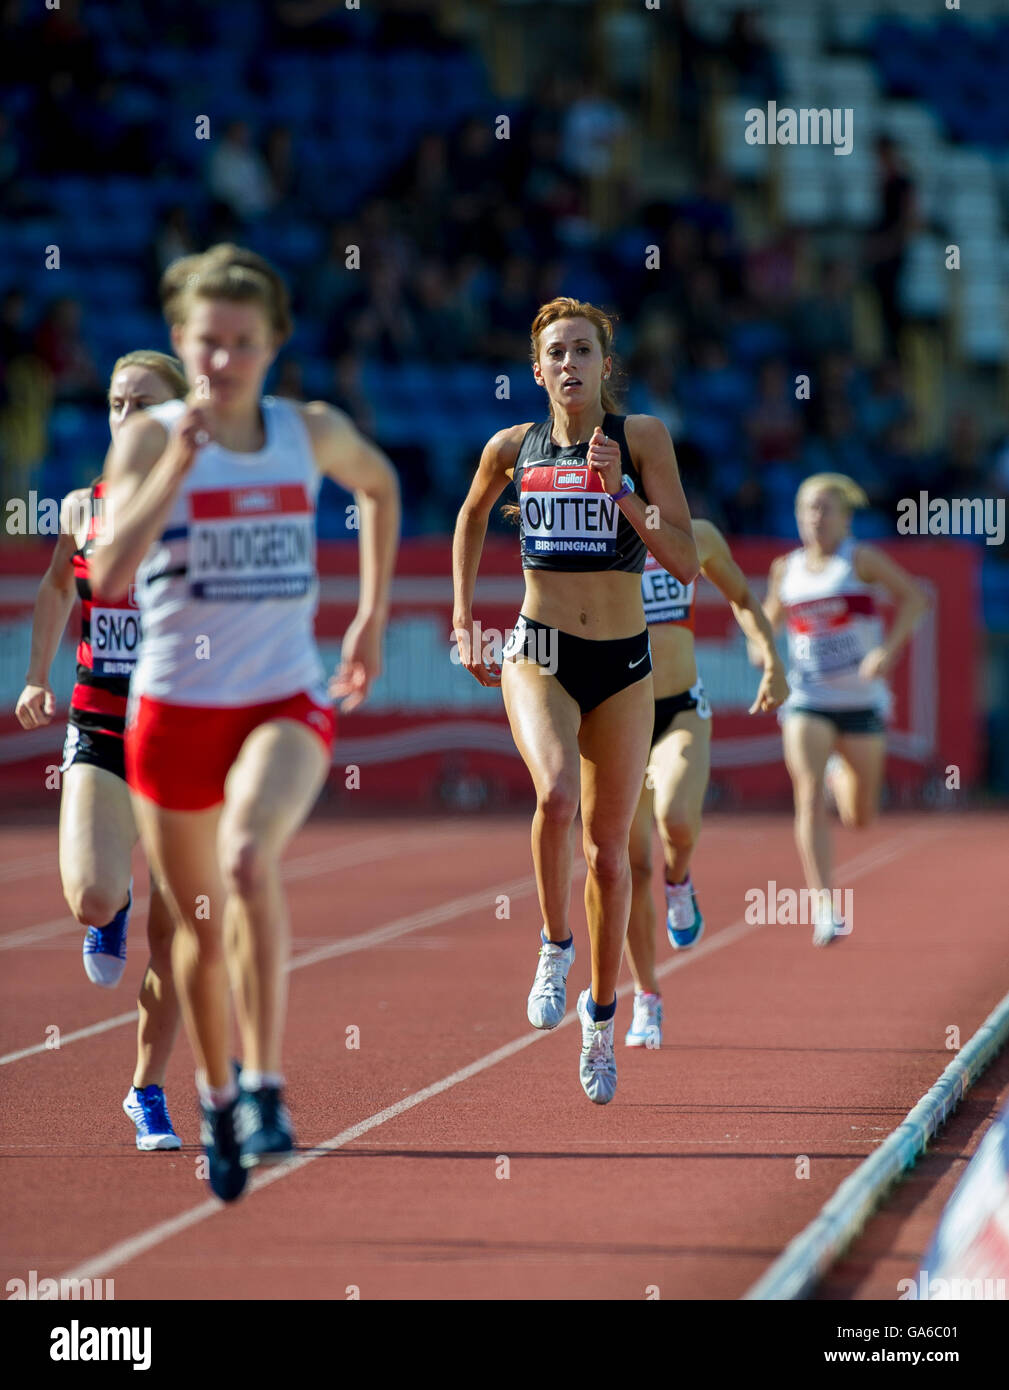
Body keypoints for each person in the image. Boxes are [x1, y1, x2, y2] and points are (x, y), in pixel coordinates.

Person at [89, 243, 400, 1200]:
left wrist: (370, 614)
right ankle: (215, 1096)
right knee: (192, 923)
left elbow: (380, 488)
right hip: (174, 709)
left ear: (272, 344)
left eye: (241, 343)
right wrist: (168, 472)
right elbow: (104, 576)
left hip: (280, 699)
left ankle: (264, 1087)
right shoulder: (148, 440)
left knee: (245, 860)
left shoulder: (308, 430)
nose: (223, 361)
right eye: (205, 344)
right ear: (182, 343)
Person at [453, 297, 699, 1104]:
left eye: (582, 351)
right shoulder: (510, 447)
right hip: (540, 649)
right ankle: (552, 945)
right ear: (536, 369)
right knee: (554, 794)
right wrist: (461, 619)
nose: (568, 364)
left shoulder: (642, 438)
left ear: (603, 365)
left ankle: (600, 1022)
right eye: (555, 352)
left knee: (608, 854)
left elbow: (684, 559)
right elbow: (470, 515)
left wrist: (620, 492)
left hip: (624, 663)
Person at [14, 349, 187, 1150]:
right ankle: (108, 910)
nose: (125, 418)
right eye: (117, 404)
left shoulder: (206, 513)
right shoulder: (85, 508)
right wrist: (35, 675)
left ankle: (146, 1091)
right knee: (89, 895)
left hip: (190, 737)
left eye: (144, 404)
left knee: (182, 934)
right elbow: (57, 585)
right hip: (103, 725)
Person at [623, 520, 790, 1046]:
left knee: (675, 818)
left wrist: (771, 658)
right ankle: (646, 996)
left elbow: (740, 593)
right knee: (628, 865)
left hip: (679, 710)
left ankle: (679, 880)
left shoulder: (696, 536)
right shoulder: (596, 531)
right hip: (615, 717)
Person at [761, 473, 929, 945]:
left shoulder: (861, 560)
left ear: (845, 517)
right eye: (808, 509)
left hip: (862, 703)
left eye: (825, 509)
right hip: (808, 700)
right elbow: (767, 620)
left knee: (860, 816)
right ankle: (824, 907)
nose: (816, 518)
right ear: (796, 516)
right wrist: (763, 649)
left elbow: (917, 598)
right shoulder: (785, 568)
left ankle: (841, 774)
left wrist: (888, 652)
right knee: (807, 793)